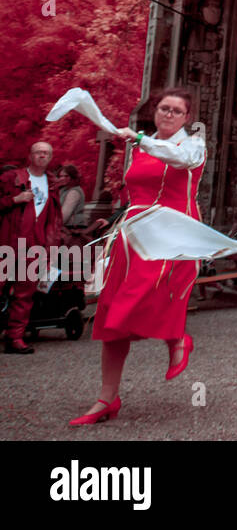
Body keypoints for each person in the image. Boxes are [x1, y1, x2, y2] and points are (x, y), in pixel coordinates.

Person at [70, 91, 204, 424]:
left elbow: (180, 160)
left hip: (171, 230)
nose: (169, 115)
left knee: (142, 294)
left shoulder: (193, 145)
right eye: (164, 108)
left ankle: (176, 338)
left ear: (187, 118)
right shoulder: (141, 148)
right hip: (133, 233)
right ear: (155, 111)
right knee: (110, 311)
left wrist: (141, 139)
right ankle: (106, 398)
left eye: (177, 111)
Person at [0, 141, 58, 354]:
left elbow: (54, 220)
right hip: (7, 242)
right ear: (30, 155)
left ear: (51, 157)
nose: (42, 156)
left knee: (24, 294)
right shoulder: (11, 178)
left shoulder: (52, 183)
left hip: (35, 246)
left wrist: (50, 249)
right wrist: (14, 199)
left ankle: (15, 337)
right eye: (38, 152)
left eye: (46, 153)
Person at [56, 164, 87, 229]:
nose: (62, 178)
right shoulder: (63, 190)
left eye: (66, 176)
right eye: (60, 176)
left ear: (73, 177)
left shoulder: (74, 192)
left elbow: (64, 216)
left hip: (73, 228)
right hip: (63, 226)